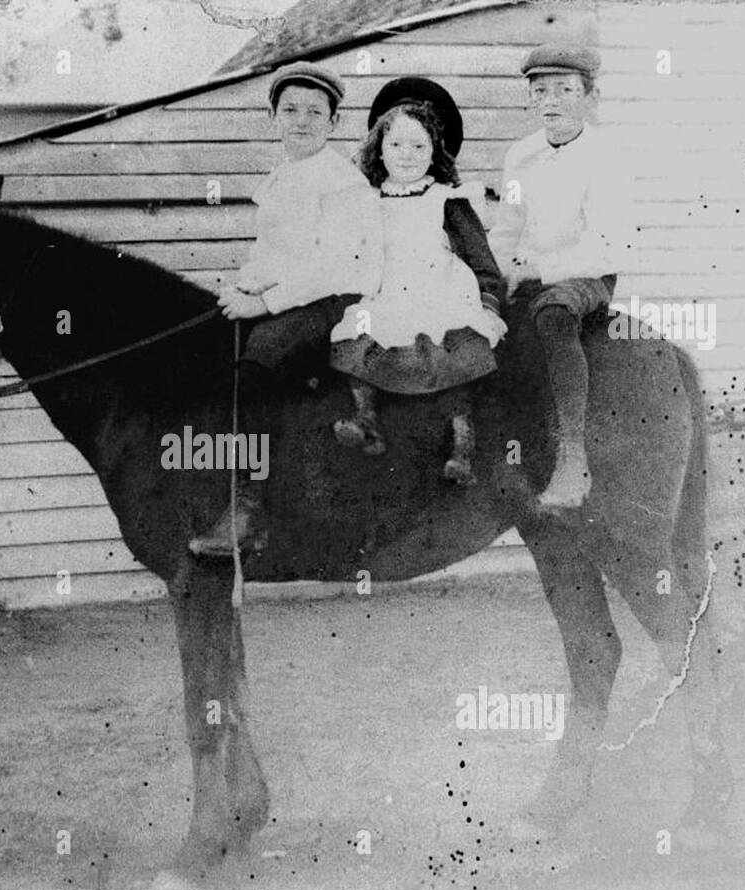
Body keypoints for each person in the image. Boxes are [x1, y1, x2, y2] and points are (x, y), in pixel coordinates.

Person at [189, 62, 373, 558]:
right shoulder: (280, 178)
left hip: (337, 300)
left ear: (334, 123)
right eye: (290, 109)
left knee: (259, 362)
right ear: (272, 115)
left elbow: (331, 266)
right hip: (292, 294)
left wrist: (263, 303)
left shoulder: (342, 183)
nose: (302, 120)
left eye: (316, 112)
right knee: (204, 340)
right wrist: (241, 288)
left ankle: (252, 506)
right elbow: (271, 253)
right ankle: (211, 477)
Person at [326, 79, 507, 485]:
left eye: (419, 147)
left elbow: (484, 264)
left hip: (442, 298)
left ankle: (462, 446)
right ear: (379, 149)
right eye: (396, 146)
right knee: (355, 333)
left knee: (451, 352)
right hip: (388, 297)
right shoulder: (367, 203)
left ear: (435, 152)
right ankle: (366, 418)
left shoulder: (447, 201)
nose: (406, 156)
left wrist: (489, 309)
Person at [488, 42, 633, 510]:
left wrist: (541, 269)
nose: (551, 101)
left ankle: (574, 457)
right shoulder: (521, 155)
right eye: (541, 90)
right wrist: (492, 275)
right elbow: (508, 226)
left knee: (552, 314)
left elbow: (608, 243)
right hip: (530, 273)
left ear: (590, 97)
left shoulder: (606, 155)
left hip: (587, 274)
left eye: (565, 90)